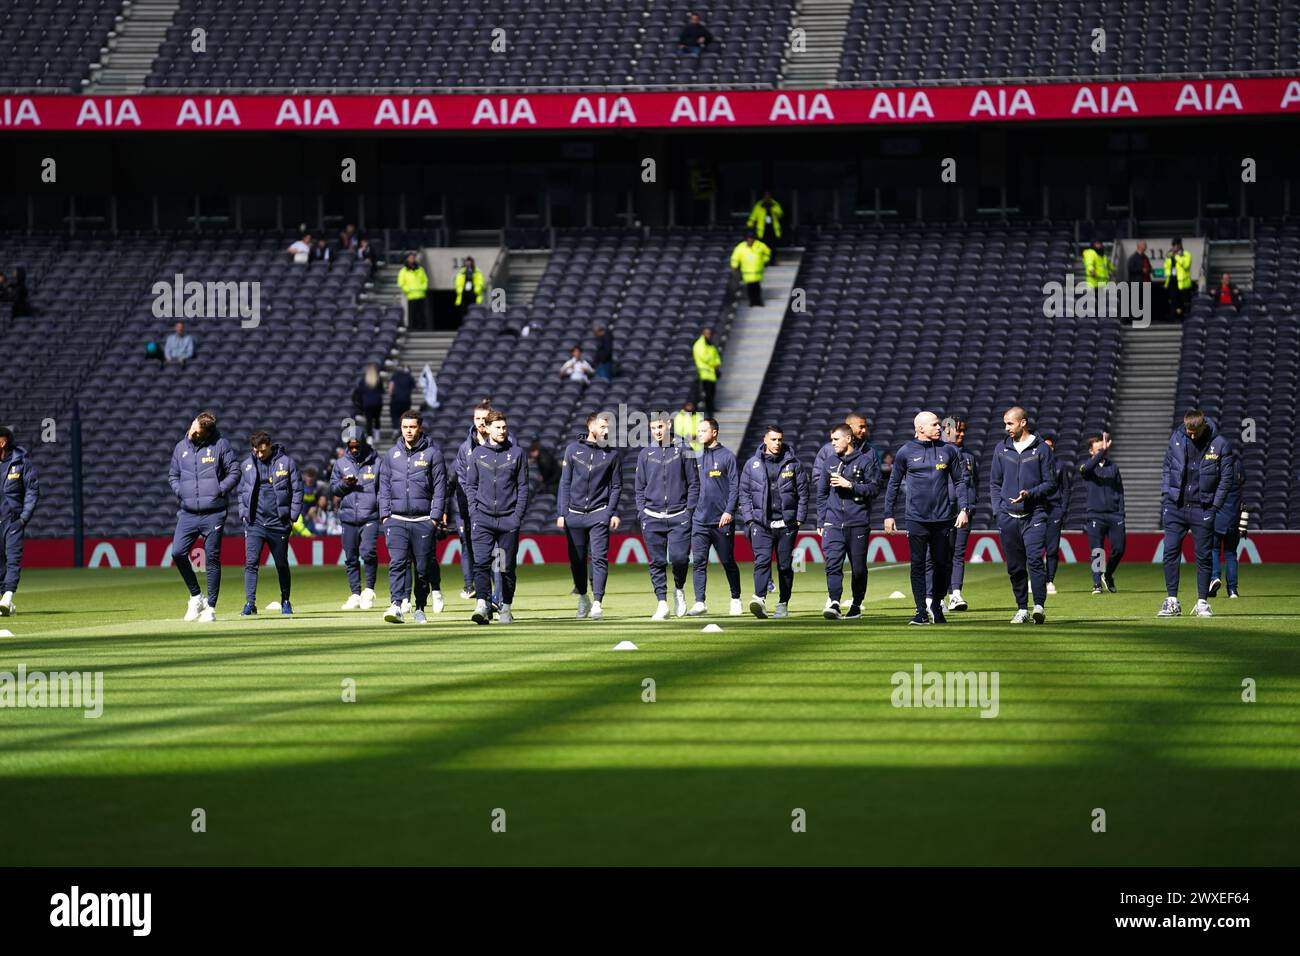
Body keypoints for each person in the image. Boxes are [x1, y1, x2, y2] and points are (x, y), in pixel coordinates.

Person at [883, 411, 969, 626]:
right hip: (916, 519)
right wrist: (888, 514)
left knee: (942, 566)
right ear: (920, 428)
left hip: (943, 520)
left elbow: (959, 482)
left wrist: (963, 508)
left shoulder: (948, 450)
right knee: (918, 565)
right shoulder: (905, 452)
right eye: (934, 425)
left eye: (939, 424)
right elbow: (893, 484)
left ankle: (937, 605)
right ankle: (921, 611)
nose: (939, 428)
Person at [1158, 410, 1234, 618]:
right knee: (1170, 552)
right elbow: (1167, 467)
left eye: (1195, 432)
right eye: (1188, 431)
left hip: (1203, 508)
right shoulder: (1176, 438)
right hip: (1175, 506)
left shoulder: (1220, 445)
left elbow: (1227, 478)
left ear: (1203, 426)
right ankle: (1172, 601)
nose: (1191, 436)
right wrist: (1167, 495)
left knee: (1203, 556)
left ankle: (1202, 602)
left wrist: (1215, 506)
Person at [989, 406, 1057, 625]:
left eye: (1010, 423)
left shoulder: (1042, 449)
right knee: (1015, 567)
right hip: (1007, 517)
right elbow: (994, 483)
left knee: (1035, 560)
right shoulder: (1001, 449)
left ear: (1023, 422)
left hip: (1035, 514)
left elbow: (1050, 483)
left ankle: (1038, 606)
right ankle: (1021, 608)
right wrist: (997, 510)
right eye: (1005, 423)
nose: (1006, 427)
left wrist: (1030, 494)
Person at [168, 411, 238, 623]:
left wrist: (219, 490)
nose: (191, 431)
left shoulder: (220, 445)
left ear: (205, 433)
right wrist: (181, 491)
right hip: (188, 513)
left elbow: (234, 471)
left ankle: (211, 608)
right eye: (192, 426)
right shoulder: (181, 448)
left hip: (214, 514)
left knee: (212, 559)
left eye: (196, 430)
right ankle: (196, 596)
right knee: (178, 553)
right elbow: (173, 475)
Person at [380, 410, 447, 624]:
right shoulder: (391, 455)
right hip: (396, 520)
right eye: (405, 427)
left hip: (423, 521)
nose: (409, 431)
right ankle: (397, 604)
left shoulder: (433, 454)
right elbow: (383, 488)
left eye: (413, 427)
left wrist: (434, 518)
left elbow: (440, 488)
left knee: (422, 569)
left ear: (420, 428)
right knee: (397, 563)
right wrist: (385, 516)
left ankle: (419, 608)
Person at [465, 411, 530, 625]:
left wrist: (517, 515)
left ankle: (506, 607)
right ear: (487, 428)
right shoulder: (477, 454)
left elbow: (523, 487)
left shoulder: (517, 453)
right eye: (498, 427)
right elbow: (471, 486)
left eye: (504, 427)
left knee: (506, 567)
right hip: (482, 518)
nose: (502, 431)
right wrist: (474, 512)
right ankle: (483, 604)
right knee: (481, 563)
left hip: (508, 520)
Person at [557, 412, 623, 621]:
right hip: (574, 515)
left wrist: (609, 512)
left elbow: (617, 486)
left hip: (598, 514)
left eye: (608, 427)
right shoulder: (572, 450)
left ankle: (597, 602)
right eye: (603, 426)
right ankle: (583, 598)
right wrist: (562, 512)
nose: (606, 430)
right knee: (577, 561)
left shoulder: (612, 454)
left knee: (600, 558)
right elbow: (564, 483)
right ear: (591, 427)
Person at [635, 411, 700, 621]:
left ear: (669, 425)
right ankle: (662, 602)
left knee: (680, 559)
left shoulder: (684, 450)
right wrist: (642, 512)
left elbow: (694, 483)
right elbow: (639, 487)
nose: (657, 432)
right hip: (651, 516)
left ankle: (679, 589)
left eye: (660, 427)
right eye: (653, 428)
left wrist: (689, 510)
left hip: (679, 515)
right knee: (657, 561)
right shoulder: (645, 454)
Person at [739, 425, 808, 619]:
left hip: (787, 524)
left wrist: (799, 519)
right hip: (761, 524)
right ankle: (759, 599)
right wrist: (749, 519)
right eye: (773, 439)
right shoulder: (752, 464)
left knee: (785, 566)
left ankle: (783, 602)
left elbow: (803, 492)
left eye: (780, 439)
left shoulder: (794, 464)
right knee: (762, 562)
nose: (777, 443)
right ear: (765, 440)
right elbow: (743, 493)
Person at [817, 423, 881, 620]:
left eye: (836, 439)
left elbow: (875, 489)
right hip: (833, 522)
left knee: (859, 568)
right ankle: (834, 602)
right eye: (832, 439)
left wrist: (850, 485)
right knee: (832, 565)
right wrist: (822, 520)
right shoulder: (828, 463)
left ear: (848, 438)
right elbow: (821, 494)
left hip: (858, 522)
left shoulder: (866, 461)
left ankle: (856, 604)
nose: (833, 443)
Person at [237, 431, 303, 616]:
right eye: (256, 451)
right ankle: (250, 603)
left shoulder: (287, 463)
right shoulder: (247, 465)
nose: (260, 455)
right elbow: (241, 491)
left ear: (270, 446)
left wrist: (292, 516)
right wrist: (243, 514)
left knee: (281, 564)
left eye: (263, 451)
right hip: (254, 523)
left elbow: (298, 489)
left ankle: (286, 601)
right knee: (251, 564)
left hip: (278, 523)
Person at [689, 417, 743, 617]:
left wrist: (729, 511)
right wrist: (691, 511)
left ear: (714, 432)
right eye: (698, 431)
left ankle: (736, 598)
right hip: (699, 521)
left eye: (703, 430)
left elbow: (735, 487)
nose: (699, 434)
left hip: (722, 521)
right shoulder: (696, 456)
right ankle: (700, 602)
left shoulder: (727, 456)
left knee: (728, 561)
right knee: (698, 563)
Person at [333, 433, 382, 610]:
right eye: (351, 446)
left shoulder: (377, 463)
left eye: (357, 447)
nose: (354, 450)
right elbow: (334, 489)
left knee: (368, 552)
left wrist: (382, 512)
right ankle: (355, 594)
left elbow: (383, 489)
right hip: (347, 517)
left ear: (363, 444)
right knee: (351, 557)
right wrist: (345, 484)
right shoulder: (340, 463)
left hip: (369, 515)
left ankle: (369, 590)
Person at [453, 400, 493, 600]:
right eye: (477, 419)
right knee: (467, 544)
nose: (481, 423)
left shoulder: (505, 444)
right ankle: (471, 586)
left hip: (494, 507)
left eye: (485, 419)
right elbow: (461, 479)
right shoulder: (464, 448)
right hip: (469, 508)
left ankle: (500, 595)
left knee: (495, 551)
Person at [1078, 431, 1126, 594]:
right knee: (1097, 551)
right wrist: (1102, 452)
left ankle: (1109, 574)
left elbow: (1120, 491)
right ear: (1091, 452)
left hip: (1114, 515)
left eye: (1103, 450)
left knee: (1119, 549)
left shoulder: (1113, 467)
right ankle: (1097, 583)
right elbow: (1087, 469)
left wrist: (1121, 512)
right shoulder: (1087, 467)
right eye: (1098, 450)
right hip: (1095, 515)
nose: (1102, 452)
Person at [937, 416, 977, 611]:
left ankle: (956, 594)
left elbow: (971, 484)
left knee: (958, 554)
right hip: (941, 512)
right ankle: (939, 596)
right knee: (941, 555)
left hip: (963, 512)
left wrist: (970, 507)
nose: (961, 434)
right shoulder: (936, 451)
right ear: (947, 430)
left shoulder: (969, 456)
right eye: (957, 430)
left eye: (963, 431)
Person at [0, 426, 38, 617]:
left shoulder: (21, 463)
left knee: (12, 559)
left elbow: (32, 490)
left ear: (2, 442)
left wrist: (24, 518)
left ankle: (7, 597)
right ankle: (5, 602)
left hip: (12, 521)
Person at [1210, 455, 1246, 600]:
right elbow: (1244, 480)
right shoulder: (1238, 464)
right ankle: (1232, 590)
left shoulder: (1216, 469)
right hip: (1234, 519)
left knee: (1213, 550)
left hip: (1218, 519)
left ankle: (1214, 577)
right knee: (1231, 554)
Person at [1041, 433, 1072, 596]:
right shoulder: (1035, 464)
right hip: (1038, 510)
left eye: (1050, 446)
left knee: (1052, 549)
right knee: (1035, 548)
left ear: (1053, 448)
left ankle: (1049, 580)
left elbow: (1066, 489)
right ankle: (1037, 580)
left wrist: (1062, 509)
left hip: (1054, 510)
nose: (1047, 448)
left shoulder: (1060, 466)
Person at [730, 231, 771, 307]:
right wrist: (734, 265)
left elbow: (767, 252)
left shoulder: (760, 245)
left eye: (751, 238)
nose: (750, 240)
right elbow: (735, 257)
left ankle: (758, 301)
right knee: (750, 288)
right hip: (747, 272)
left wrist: (764, 260)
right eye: (748, 239)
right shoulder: (740, 247)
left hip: (757, 271)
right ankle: (752, 302)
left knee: (757, 287)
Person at [692, 326, 721, 416]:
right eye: (707, 333)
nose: (709, 335)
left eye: (710, 334)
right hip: (704, 373)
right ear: (703, 334)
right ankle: (709, 411)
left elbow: (715, 354)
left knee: (712, 393)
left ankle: (711, 408)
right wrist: (714, 363)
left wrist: (717, 363)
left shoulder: (710, 344)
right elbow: (704, 357)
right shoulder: (700, 344)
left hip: (711, 373)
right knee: (707, 394)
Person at [352, 363, 385, 444]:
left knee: (369, 420)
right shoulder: (378, 380)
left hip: (367, 403)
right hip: (377, 402)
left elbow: (358, 393)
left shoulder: (363, 381)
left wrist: (359, 404)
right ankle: (377, 436)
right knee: (377, 419)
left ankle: (370, 438)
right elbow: (382, 391)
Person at [397, 251, 430, 328]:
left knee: (421, 313)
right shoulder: (403, 271)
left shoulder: (420, 269)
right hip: (411, 295)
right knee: (412, 313)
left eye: (413, 258)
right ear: (407, 259)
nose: (412, 259)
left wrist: (423, 288)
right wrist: (407, 290)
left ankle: (422, 327)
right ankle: (413, 327)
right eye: (410, 258)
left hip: (421, 294)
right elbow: (401, 283)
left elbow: (425, 280)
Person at [1164, 238, 1193, 320]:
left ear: (1180, 245)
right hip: (1172, 280)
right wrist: (1168, 274)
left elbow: (1186, 265)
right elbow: (1166, 266)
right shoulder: (1169, 255)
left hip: (1183, 282)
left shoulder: (1186, 254)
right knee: (1173, 299)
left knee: (1184, 300)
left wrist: (1177, 257)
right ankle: (1173, 316)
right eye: (1173, 245)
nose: (1174, 247)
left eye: (1176, 245)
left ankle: (1186, 317)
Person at [388, 365, 415, 434]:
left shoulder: (395, 375)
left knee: (394, 415)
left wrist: (390, 395)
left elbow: (391, 386)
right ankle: (402, 430)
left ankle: (395, 429)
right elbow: (414, 388)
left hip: (395, 399)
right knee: (405, 415)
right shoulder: (409, 377)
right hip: (405, 399)